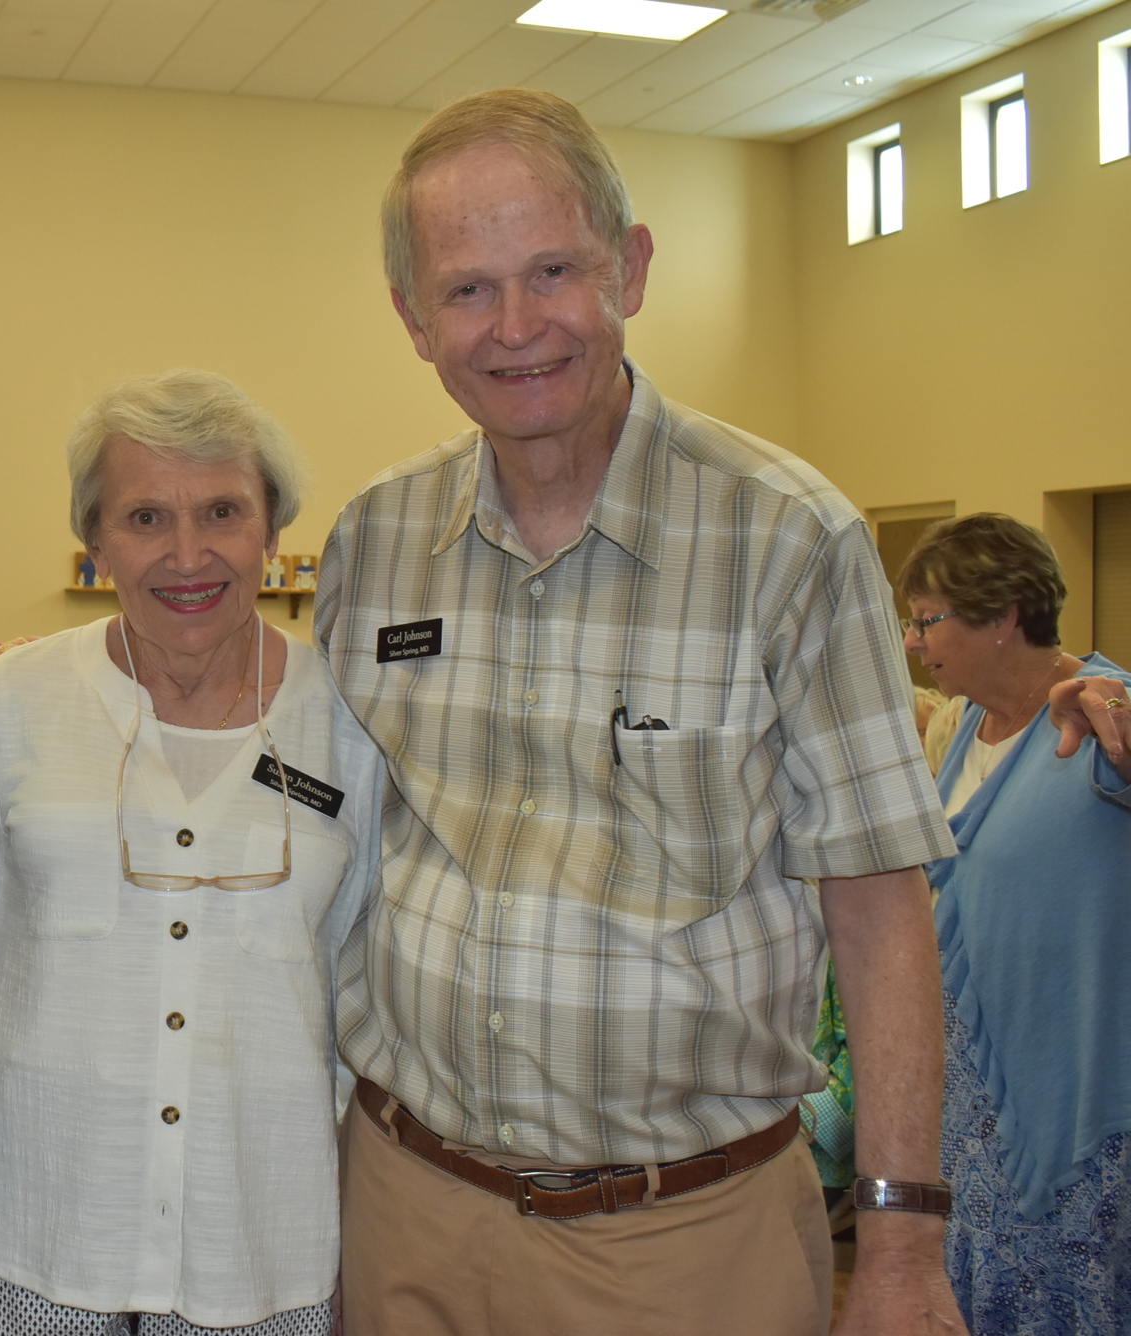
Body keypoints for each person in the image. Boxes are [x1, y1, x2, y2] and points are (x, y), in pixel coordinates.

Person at [316, 88, 965, 1335]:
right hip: (403, 1206)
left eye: (552, 269)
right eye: (465, 289)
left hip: (681, 1242)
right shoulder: (374, 539)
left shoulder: (787, 537)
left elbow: (880, 909)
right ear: (410, 318)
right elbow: (333, 862)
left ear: (631, 266)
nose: (515, 327)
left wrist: (896, 1247)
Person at [0, 370, 385, 1335]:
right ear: (95, 540)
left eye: (222, 511)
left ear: (272, 530)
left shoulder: (349, 723)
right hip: (29, 1237)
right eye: (143, 517)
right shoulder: (7, 708)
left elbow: (353, 999)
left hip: (261, 1245)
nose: (187, 555)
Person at [898, 513, 1131, 1333]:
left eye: (929, 619)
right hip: (972, 1097)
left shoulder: (1101, 714)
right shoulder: (961, 727)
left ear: (1001, 616)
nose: (916, 641)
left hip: (1069, 1100)